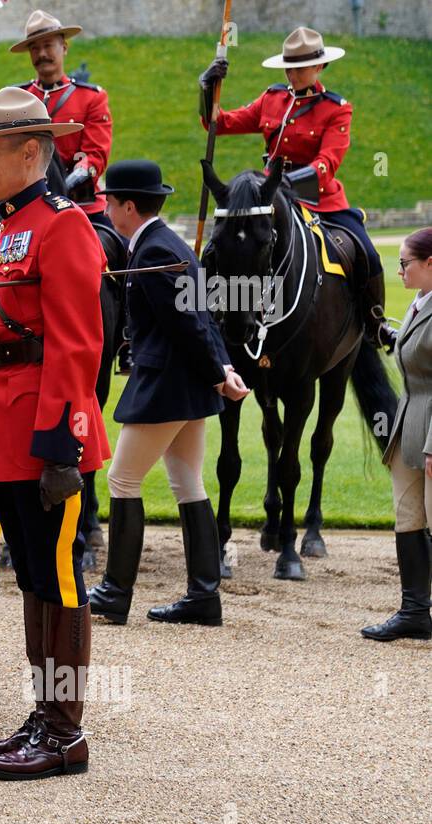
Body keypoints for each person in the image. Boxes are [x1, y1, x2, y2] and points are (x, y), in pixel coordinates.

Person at [0, 88, 108, 780]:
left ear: (32, 153)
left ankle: (66, 730)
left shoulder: (62, 225)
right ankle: (44, 715)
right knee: (38, 580)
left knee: (62, 582)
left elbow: (76, 346)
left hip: (46, 432)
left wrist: (60, 446)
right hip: (8, 425)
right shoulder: (7, 228)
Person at [86, 160, 249, 627]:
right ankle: (203, 596)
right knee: (187, 483)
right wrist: (222, 367)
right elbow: (204, 318)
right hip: (186, 383)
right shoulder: (167, 244)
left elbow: (189, 328)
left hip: (165, 385)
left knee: (122, 480)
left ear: (128, 206)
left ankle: (116, 592)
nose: (106, 209)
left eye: (110, 202)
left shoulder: (155, 251)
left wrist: (218, 373)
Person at [199, 27, 390, 347]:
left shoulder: (336, 108)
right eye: (288, 67)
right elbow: (220, 123)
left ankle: (375, 324)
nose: (292, 73)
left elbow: (327, 163)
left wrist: (285, 184)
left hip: (319, 199)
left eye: (300, 67)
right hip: (269, 200)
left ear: (320, 67)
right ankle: (209, 313)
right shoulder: (272, 98)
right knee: (218, 248)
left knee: (366, 252)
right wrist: (207, 88)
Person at [0, 9, 114, 226]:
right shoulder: (17, 98)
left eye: (48, 45)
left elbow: (95, 155)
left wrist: (62, 187)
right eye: (35, 48)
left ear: (64, 47)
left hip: (80, 202)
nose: (42, 53)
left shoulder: (91, 97)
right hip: (23, 199)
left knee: (107, 245)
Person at [361, 227, 432, 642]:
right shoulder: (420, 301)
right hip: (409, 420)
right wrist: (392, 337)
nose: (399, 270)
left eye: (405, 263)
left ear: (429, 264)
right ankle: (413, 611)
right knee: (408, 516)